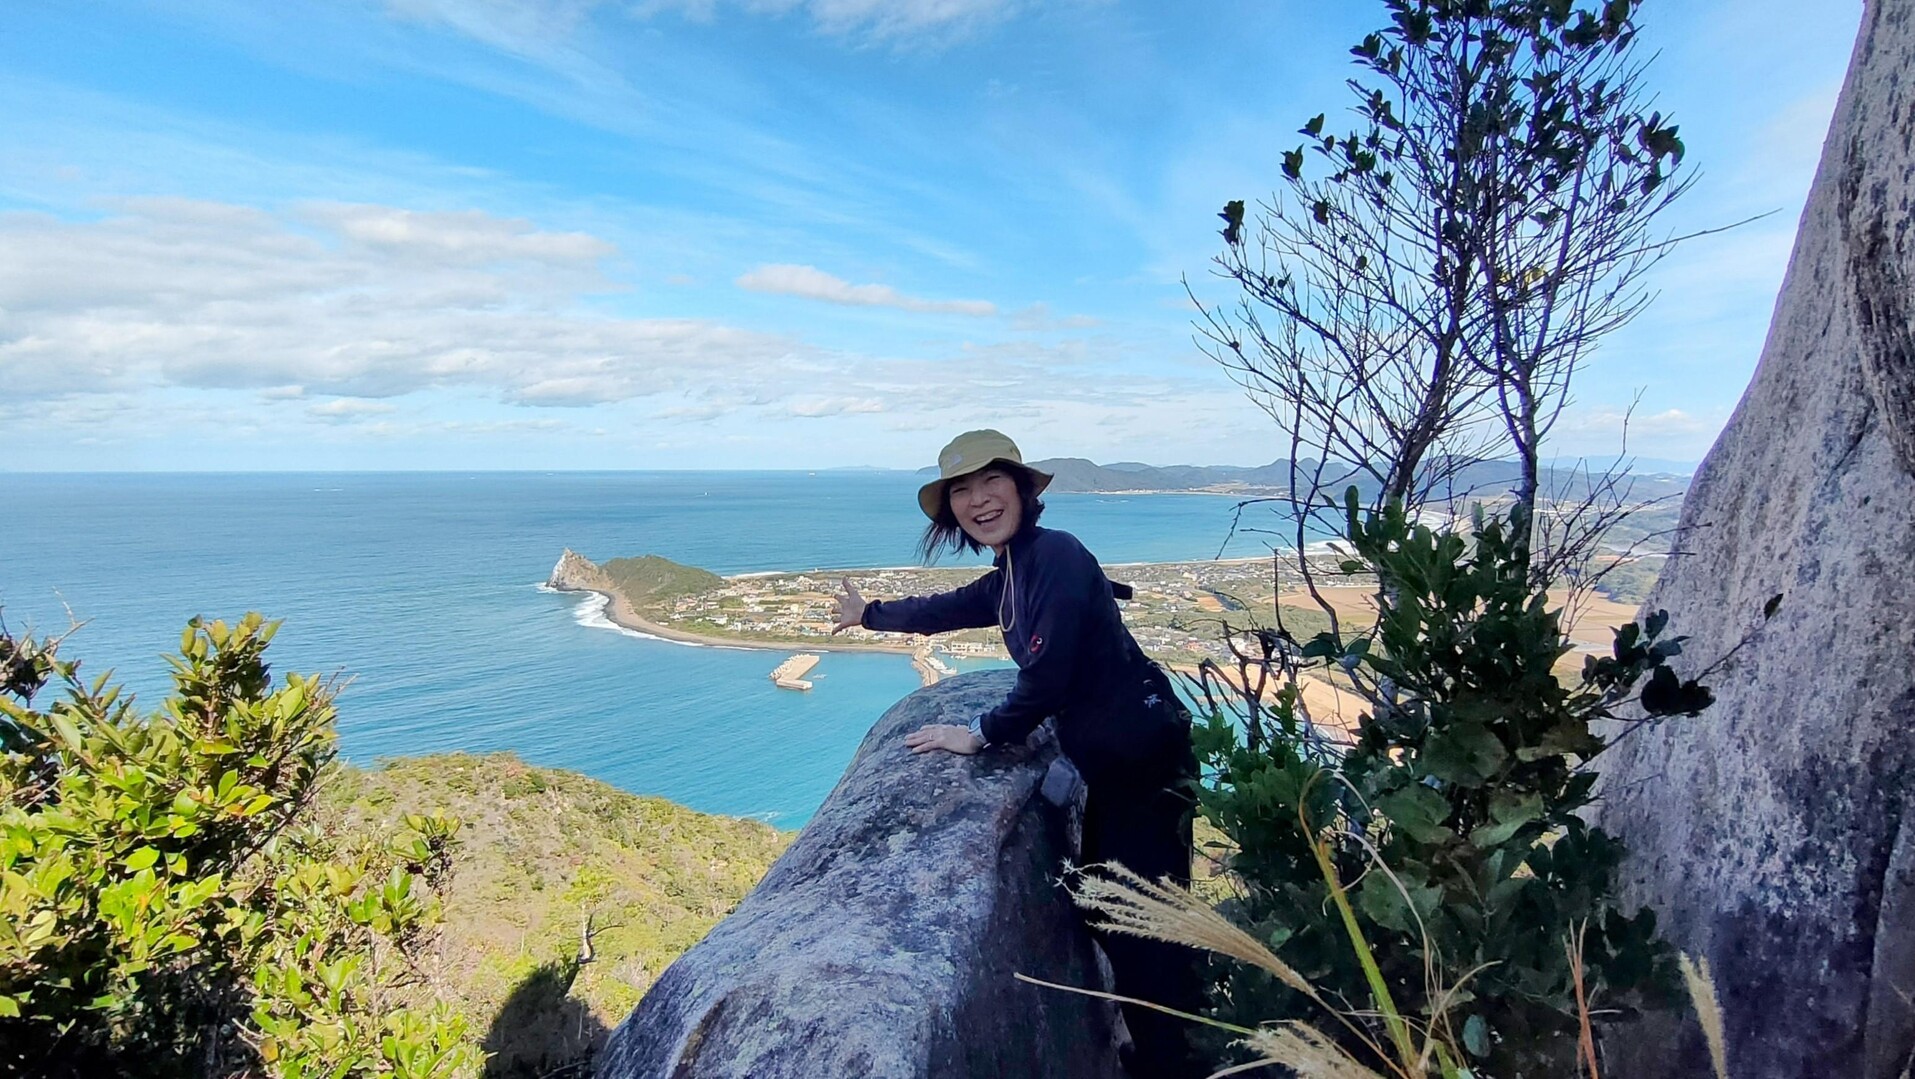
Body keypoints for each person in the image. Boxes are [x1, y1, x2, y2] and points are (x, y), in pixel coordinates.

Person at [831, 429, 1202, 1079]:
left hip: (1144, 762)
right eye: (961, 491)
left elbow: (1048, 678)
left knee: (1147, 932)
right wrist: (869, 614)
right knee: (1111, 911)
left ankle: (1172, 1064)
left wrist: (978, 732)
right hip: (1113, 769)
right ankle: (1157, 1051)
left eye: (989, 482)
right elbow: (942, 608)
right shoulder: (1012, 572)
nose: (977, 500)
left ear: (1022, 488)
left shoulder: (1051, 553)